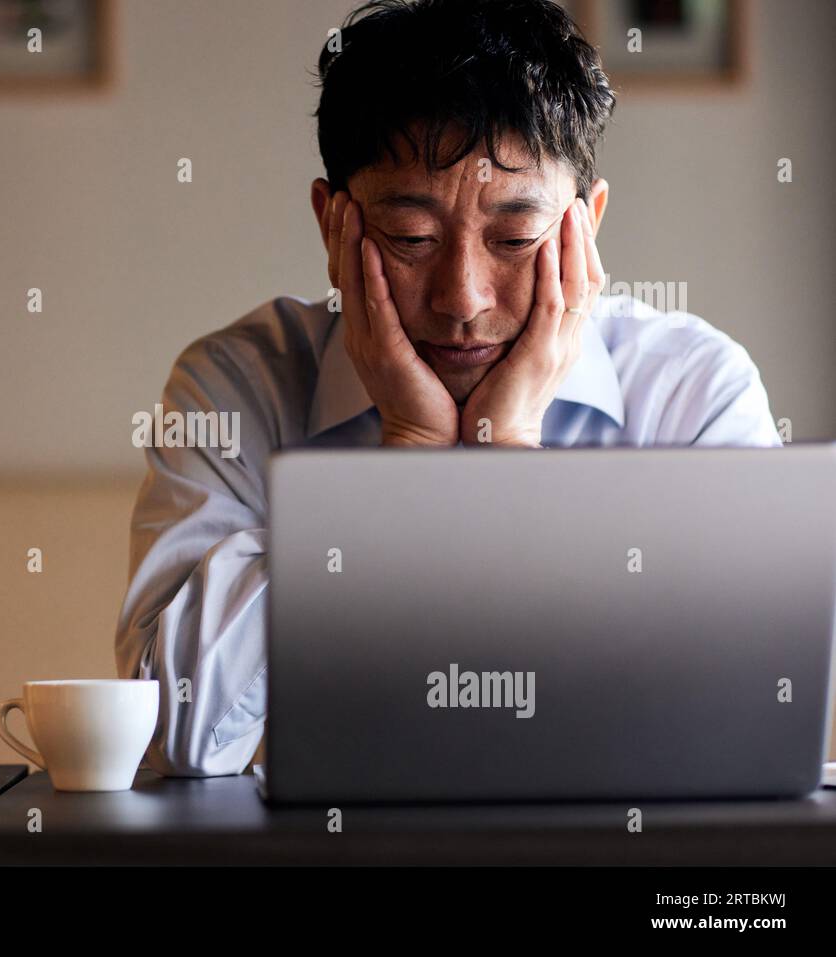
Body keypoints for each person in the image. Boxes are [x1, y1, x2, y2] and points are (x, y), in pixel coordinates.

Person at [115, 0, 782, 777]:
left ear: (584, 227)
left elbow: (754, 716)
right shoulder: (235, 389)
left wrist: (513, 452)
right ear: (334, 225)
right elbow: (168, 732)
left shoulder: (694, 391)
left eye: (513, 238)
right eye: (412, 239)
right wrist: (409, 464)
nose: (462, 297)